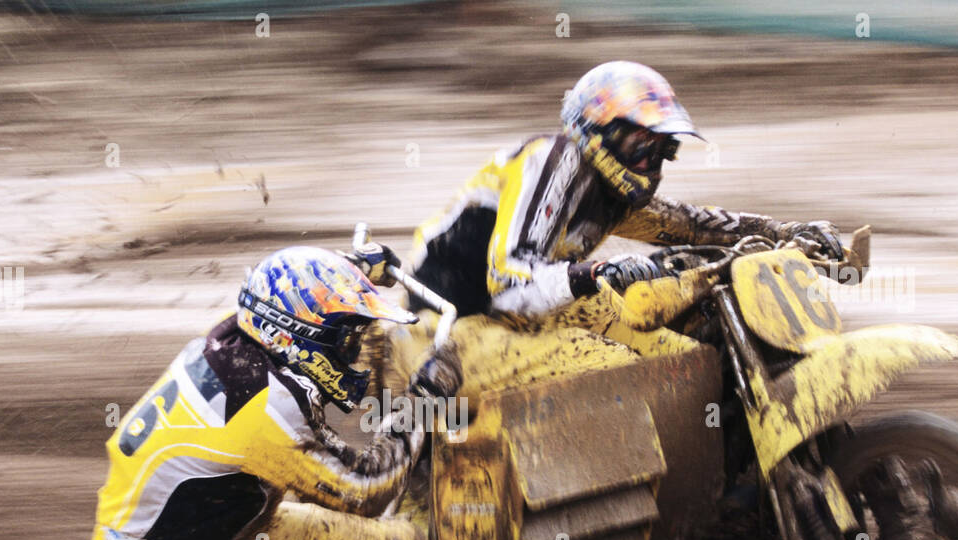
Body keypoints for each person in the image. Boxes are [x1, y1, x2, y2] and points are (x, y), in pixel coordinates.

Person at [89, 246, 461, 540]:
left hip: (246, 536)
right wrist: (426, 401)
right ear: (303, 341)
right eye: (347, 342)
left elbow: (285, 293)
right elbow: (367, 489)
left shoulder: (250, 332)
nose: (359, 354)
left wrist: (352, 271)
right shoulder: (264, 413)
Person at [350, 61, 846, 398]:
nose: (652, 161)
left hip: (528, 312)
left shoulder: (607, 191)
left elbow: (683, 224)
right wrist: (598, 273)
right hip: (456, 327)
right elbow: (508, 287)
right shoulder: (555, 161)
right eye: (640, 144)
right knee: (622, 373)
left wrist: (784, 231)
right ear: (599, 130)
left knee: (687, 354)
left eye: (661, 149)